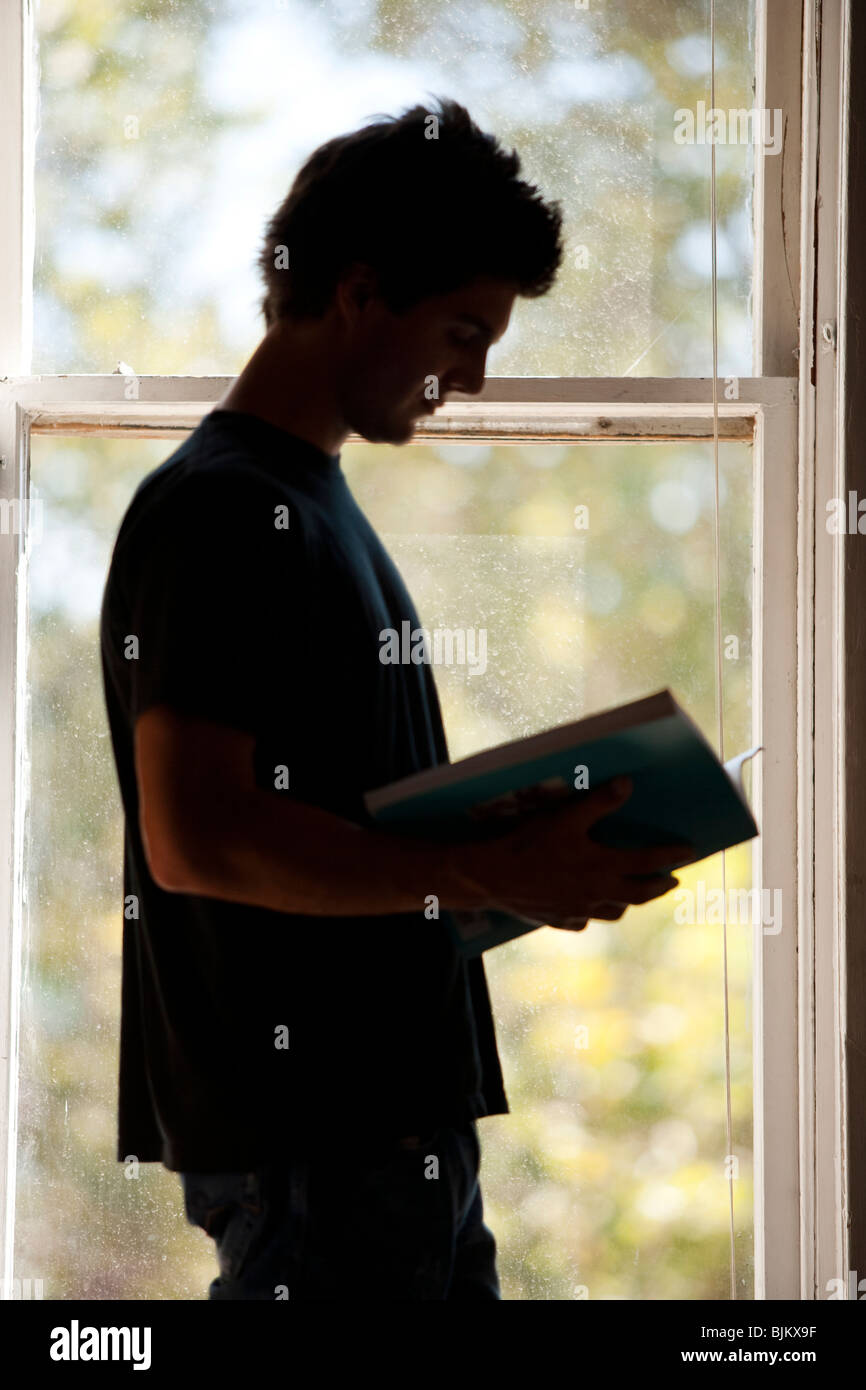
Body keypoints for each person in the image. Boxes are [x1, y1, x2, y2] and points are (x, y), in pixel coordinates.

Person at [99, 96, 695, 1301]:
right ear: (360, 291)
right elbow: (196, 835)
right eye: (462, 330)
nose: (469, 380)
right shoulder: (218, 510)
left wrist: (499, 840)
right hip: (319, 1152)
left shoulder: (311, 504)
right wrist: (491, 873)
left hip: (371, 1147)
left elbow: (313, 819)